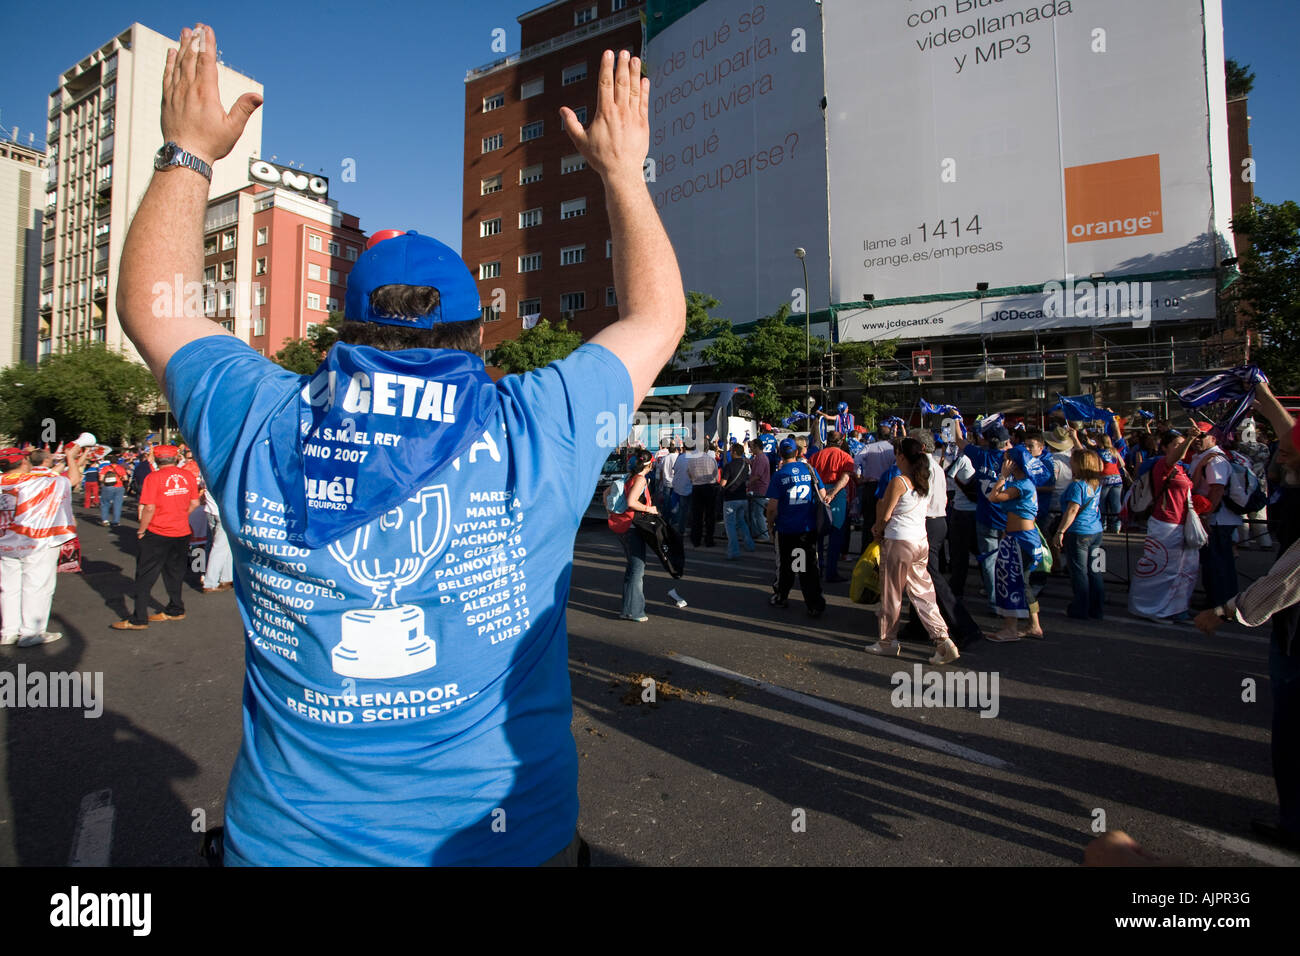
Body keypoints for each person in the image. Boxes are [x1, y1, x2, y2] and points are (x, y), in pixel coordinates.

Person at [114, 30, 683, 865]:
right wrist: (623, 172)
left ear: (341, 334)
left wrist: (188, 152)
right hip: (508, 844)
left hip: (291, 847)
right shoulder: (540, 422)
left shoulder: (259, 417)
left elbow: (154, 310)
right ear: (479, 337)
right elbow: (656, 319)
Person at [866, 437, 960, 664]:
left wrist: (877, 530)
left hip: (899, 541)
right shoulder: (926, 478)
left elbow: (886, 514)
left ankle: (887, 641)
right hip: (920, 540)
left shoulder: (899, 481)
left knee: (892, 594)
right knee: (924, 593)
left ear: (901, 456)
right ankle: (942, 638)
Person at [0, 446, 85, 646]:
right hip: (36, 541)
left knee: (8, 588)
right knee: (37, 587)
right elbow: (72, 479)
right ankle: (31, 633)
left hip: (4, 543)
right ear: (23, 463)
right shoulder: (38, 482)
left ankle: (8, 631)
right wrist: (71, 457)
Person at [111, 444, 199, 629]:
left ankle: (139, 618)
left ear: (157, 460)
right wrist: (181, 516)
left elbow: (149, 507)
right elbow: (194, 502)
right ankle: (176, 608)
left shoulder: (154, 477)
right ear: (175, 458)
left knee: (145, 574)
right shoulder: (188, 475)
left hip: (158, 530)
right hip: (181, 530)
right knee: (175, 572)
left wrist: (142, 529)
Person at [1128, 430, 1199, 622]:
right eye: (1176, 444)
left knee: (1185, 570)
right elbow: (1178, 456)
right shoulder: (1162, 465)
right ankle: (1151, 608)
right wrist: (1190, 438)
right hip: (1165, 523)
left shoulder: (1182, 469)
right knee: (1162, 570)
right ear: (1165, 447)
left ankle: (1177, 608)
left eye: (1183, 443)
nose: (1181, 447)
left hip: (1182, 524)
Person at [985, 445, 1046, 641]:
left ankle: (1011, 629)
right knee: (1022, 583)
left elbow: (993, 497)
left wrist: (1002, 476)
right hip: (1016, 537)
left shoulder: (1021, 485)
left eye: (1006, 460)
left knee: (1014, 583)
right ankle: (1033, 625)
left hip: (1022, 539)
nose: (1003, 463)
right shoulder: (1022, 483)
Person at [765, 437, 827, 617]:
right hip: (806, 527)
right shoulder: (809, 469)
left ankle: (782, 596)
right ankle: (814, 604)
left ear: (780, 454)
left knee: (786, 566)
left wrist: (770, 525)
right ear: (798, 452)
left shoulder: (779, 475)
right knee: (807, 567)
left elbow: (772, 507)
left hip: (786, 528)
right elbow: (823, 495)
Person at [1190, 423, 1241, 608]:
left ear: (1213, 438)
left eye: (1201, 436)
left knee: (1218, 564)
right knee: (1212, 563)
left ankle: (1221, 604)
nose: (1197, 440)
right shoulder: (1203, 457)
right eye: (1195, 436)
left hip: (1217, 520)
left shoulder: (1215, 460)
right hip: (1211, 517)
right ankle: (1215, 599)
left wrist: (1206, 516)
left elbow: (1217, 490)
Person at [1055, 449, 1105, 620]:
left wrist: (1060, 531)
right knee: (1095, 571)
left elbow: (1072, 510)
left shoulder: (1078, 485)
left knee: (1079, 572)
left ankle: (1080, 608)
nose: (1070, 463)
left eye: (1073, 461)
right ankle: (1097, 608)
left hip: (1079, 532)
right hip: (1096, 530)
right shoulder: (1096, 482)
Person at [609, 450, 656, 621]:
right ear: (649, 465)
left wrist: (611, 512)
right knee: (637, 569)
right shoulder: (640, 479)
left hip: (622, 525)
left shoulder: (628, 477)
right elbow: (631, 502)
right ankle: (634, 611)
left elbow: (608, 493)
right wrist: (649, 509)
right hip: (632, 526)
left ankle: (628, 608)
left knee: (632, 567)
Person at [808, 430, 855, 581]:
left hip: (819, 493)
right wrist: (833, 493)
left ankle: (819, 567)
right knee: (836, 533)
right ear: (841, 441)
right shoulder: (845, 457)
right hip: (837, 495)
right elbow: (845, 477)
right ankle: (831, 572)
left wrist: (822, 493)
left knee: (819, 533)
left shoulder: (816, 456)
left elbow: (811, 476)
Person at [854, 426, 894, 553]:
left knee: (868, 522)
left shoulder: (868, 447)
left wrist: (859, 477)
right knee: (887, 520)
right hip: (889, 486)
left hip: (871, 487)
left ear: (877, 435)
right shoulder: (893, 449)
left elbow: (856, 461)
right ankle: (884, 552)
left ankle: (866, 552)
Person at [720, 442, 756, 559]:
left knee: (730, 526)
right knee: (742, 522)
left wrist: (720, 487)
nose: (730, 452)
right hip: (743, 497)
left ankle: (734, 551)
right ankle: (750, 545)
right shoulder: (745, 465)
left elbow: (723, 483)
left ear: (734, 452)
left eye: (731, 450)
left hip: (730, 498)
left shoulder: (729, 466)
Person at [684, 439, 720, 547]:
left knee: (697, 515)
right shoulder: (711, 459)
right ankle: (709, 539)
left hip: (697, 488)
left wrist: (695, 479)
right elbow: (716, 476)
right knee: (710, 515)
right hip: (709, 487)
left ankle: (696, 539)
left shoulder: (691, 460)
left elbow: (689, 474)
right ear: (707, 448)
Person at [201, 485, 234, 593]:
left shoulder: (206, 472)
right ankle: (210, 582)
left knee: (226, 546)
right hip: (222, 512)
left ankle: (226, 578)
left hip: (210, 510)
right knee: (220, 548)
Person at [745, 437, 771, 542]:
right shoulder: (759, 457)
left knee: (758, 514)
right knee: (755, 513)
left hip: (759, 490)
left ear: (756, 447)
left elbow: (757, 475)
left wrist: (746, 483)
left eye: (751, 447)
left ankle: (763, 536)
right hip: (759, 489)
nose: (750, 449)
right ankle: (758, 534)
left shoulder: (760, 458)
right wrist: (750, 462)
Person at [98, 456, 128, 527]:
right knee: (117, 504)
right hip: (119, 487)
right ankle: (116, 521)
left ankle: (105, 520)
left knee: (105, 503)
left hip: (108, 487)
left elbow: (101, 478)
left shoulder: (105, 468)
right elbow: (125, 478)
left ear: (110, 461)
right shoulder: (121, 468)